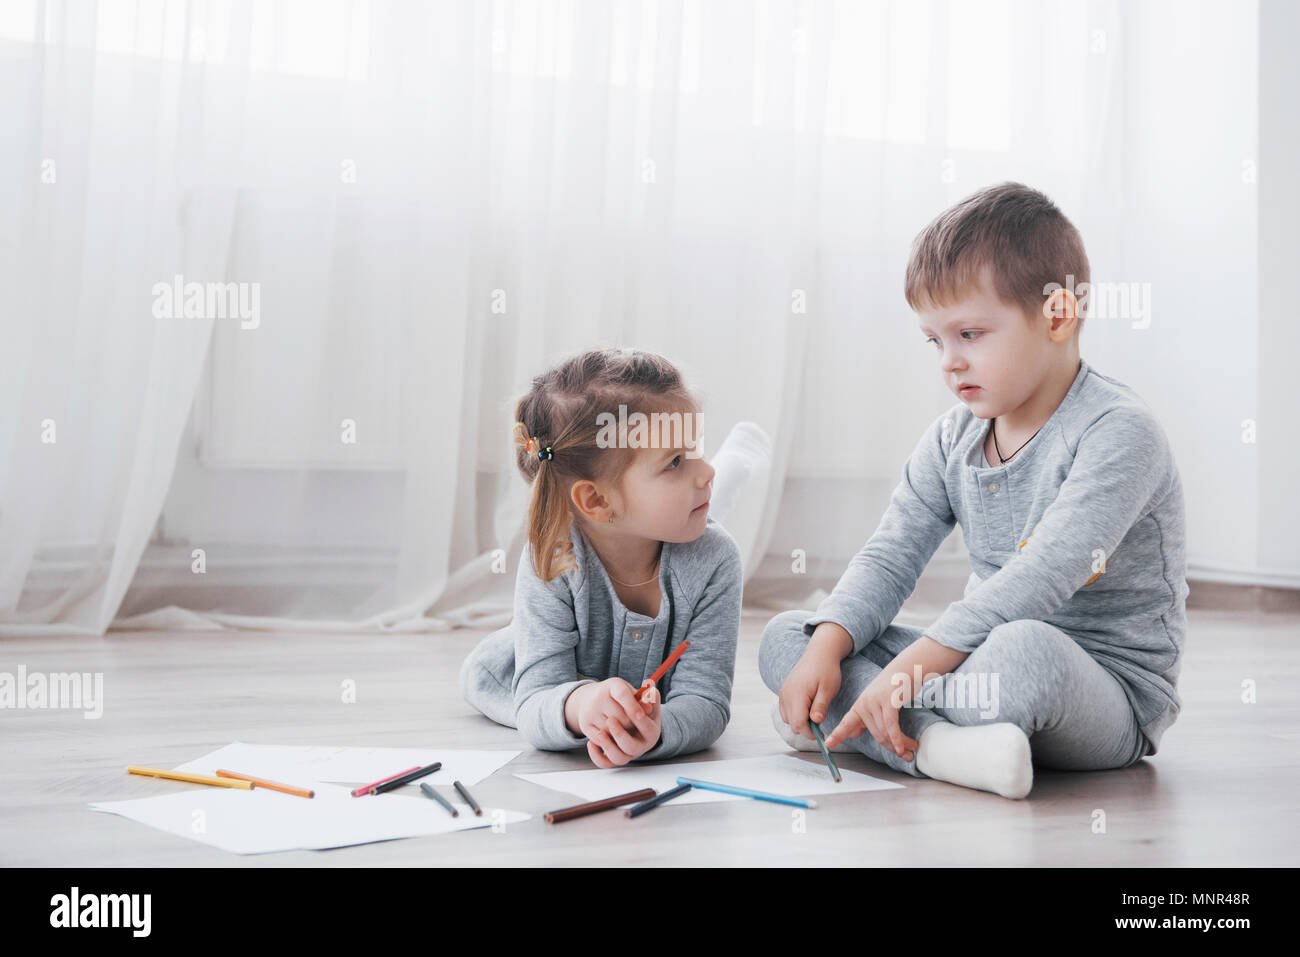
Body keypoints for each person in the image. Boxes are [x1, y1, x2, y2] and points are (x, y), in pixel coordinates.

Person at [760, 182, 1188, 799]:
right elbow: (890, 556)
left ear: (1058, 315)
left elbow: (1043, 574)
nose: (949, 362)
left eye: (970, 334)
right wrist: (828, 648)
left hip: (1102, 690)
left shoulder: (1119, 431)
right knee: (792, 637)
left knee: (1023, 651)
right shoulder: (950, 438)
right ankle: (940, 748)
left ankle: (859, 728)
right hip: (972, 662)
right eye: (935, 340)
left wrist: (907, 672)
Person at [460, 347, 743, 767]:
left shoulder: (716, 560)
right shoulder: (554, 560)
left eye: (696, 451)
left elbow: (707, 701)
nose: (707, 471)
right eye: (675, 462)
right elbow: (536, 701)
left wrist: (658, 731)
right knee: (485, 675)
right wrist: (581, 705)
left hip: (642, 696)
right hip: (515, 671)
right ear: (596, 500)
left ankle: (720, 473)